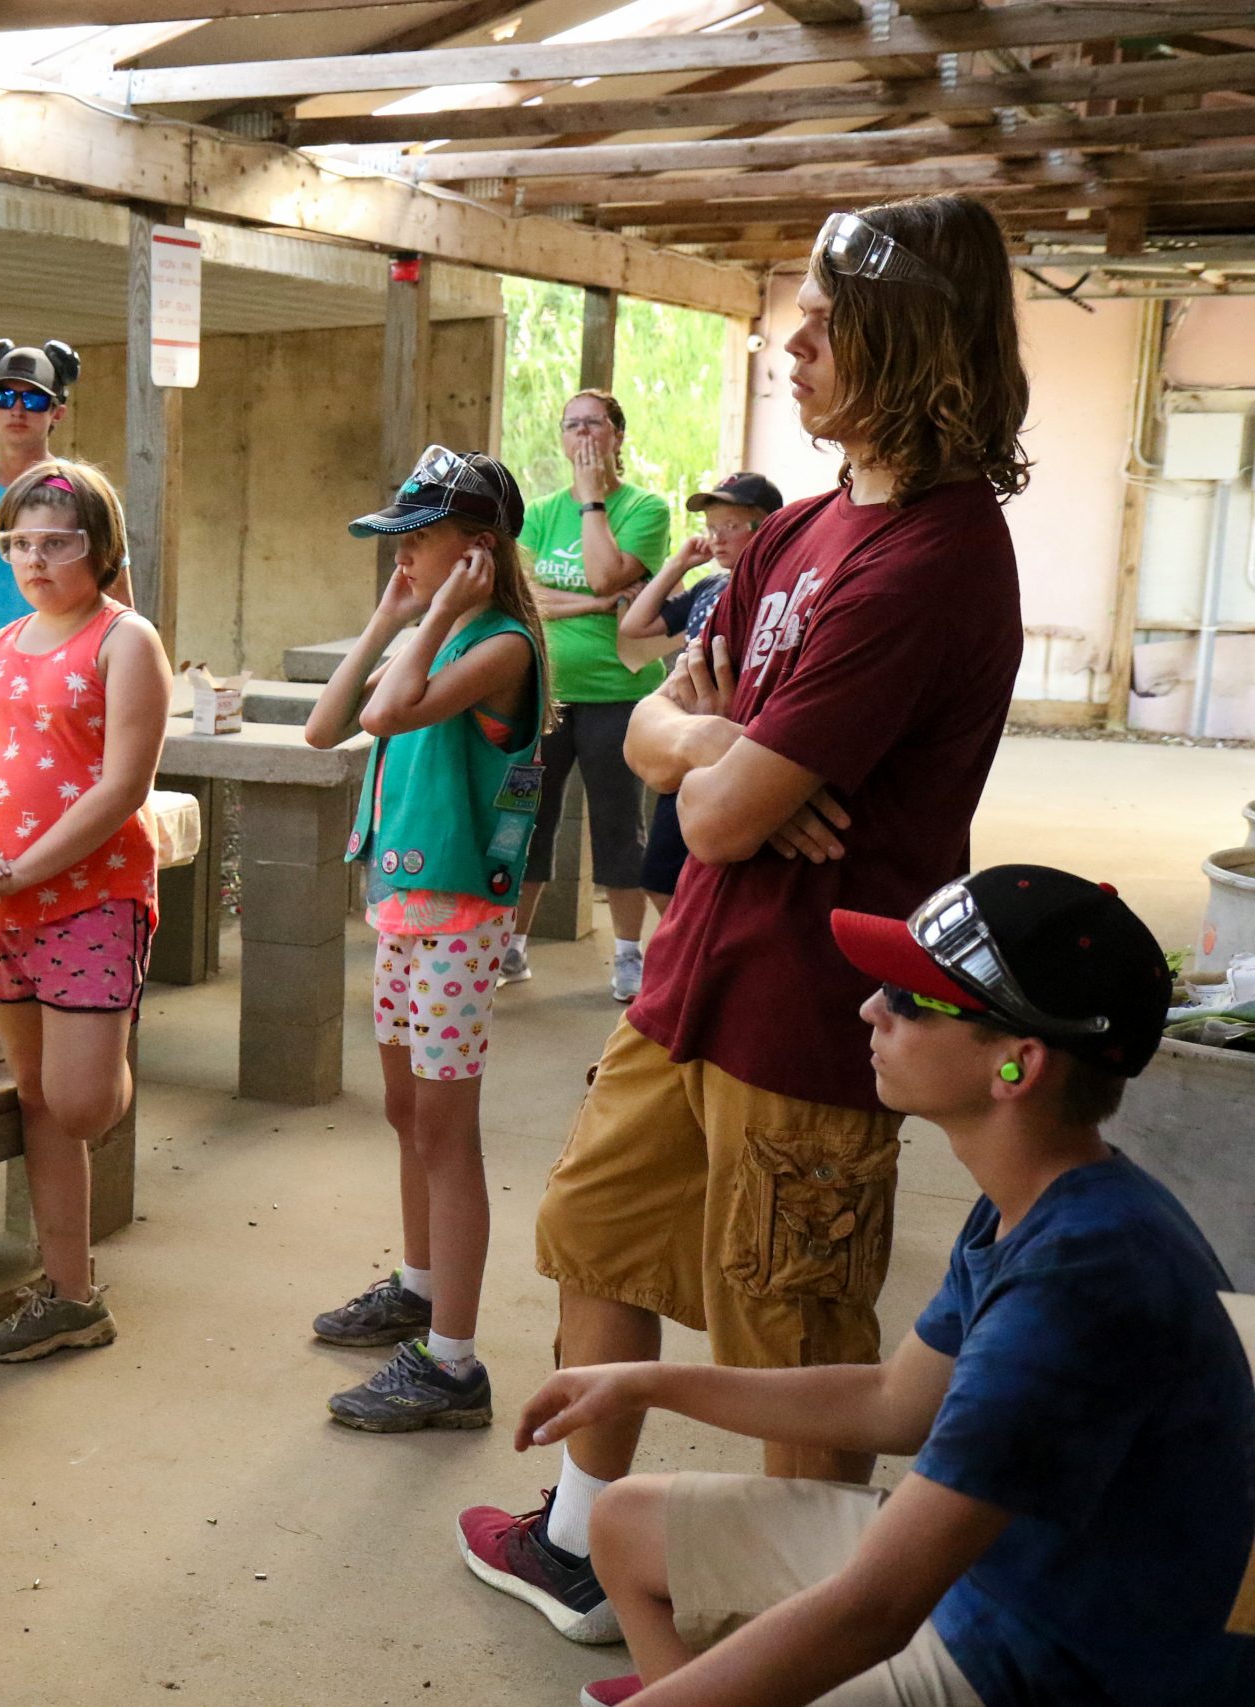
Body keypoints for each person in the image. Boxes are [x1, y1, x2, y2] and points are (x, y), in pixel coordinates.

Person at [459, 194, 1032, 1645]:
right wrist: (729, 754)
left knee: (796, 1334)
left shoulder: (933, 559)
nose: (795, 345)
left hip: (813, 1008)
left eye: (830, 326)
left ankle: (815, 1633)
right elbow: (664, 727)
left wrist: (719, 768)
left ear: (912, 342)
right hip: (693, 976)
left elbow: (699, 809)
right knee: (596, 1235)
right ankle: (585, 1545)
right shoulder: (810, 526)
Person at [521, 866, 1255, 1707]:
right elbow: (891, 1402)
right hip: (1005, 1580)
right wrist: (648, 1381)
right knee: (624, 1524)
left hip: (1068, 1658)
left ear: (1018, 1064)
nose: (871, 1008)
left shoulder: (1082, 1281)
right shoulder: (1034, 1200)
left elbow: (874, 1609)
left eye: (911, 999)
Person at [303, 448, 549, 1432]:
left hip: (457, 922)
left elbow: (380, 713)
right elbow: (328, 727)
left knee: (447, 1135)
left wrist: (436, 614)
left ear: (477, 550)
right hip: (404, 913)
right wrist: (394, 616)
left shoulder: (500, 647)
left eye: (418, 539)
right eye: (394, 541)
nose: (399, 555)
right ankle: (418, 1285)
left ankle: (452, 1364)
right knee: (407, 1116)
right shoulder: (431, 634)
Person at [0, 458, 168, 1364]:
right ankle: (72, 1294)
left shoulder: (124, 640)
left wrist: (23, 866)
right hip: (1, 903)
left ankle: (107, 1055)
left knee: (78, 1103)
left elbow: (124, 787)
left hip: (91, 901)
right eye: (18, 543)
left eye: (56, 542)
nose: (35, 559)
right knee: (35, 1098)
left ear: (99, 548)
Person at [0, 339, 129, 1039]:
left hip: (67, 706)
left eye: (33, 398)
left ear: (57, 412)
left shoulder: (83, 500)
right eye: (5, 395)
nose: (17, 408)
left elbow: (117, 602)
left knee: (63, 870)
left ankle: (68, 1021)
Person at [509, 388, 673, 1001]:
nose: (581, 437)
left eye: (593, 425)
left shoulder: (643, 510)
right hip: (546, 693)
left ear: (617, 436)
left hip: (617, 694)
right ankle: (514, 947)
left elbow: (608, 570)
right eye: (570, 424)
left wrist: (592, 503)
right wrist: (598, 607)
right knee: (528, 819)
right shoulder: (540, 512)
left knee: (615, 825)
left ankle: (628, 955)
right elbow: (525, 596)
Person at [616, 472, 786, 910]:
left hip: (736, 741)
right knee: (660, 874)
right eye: (712, 528)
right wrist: (677, 565)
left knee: (717, 874)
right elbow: (636, 626)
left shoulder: (776, 591)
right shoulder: (709, 586)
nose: (718, 538)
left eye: (730, 526)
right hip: (686, 740)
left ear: (766, 527)